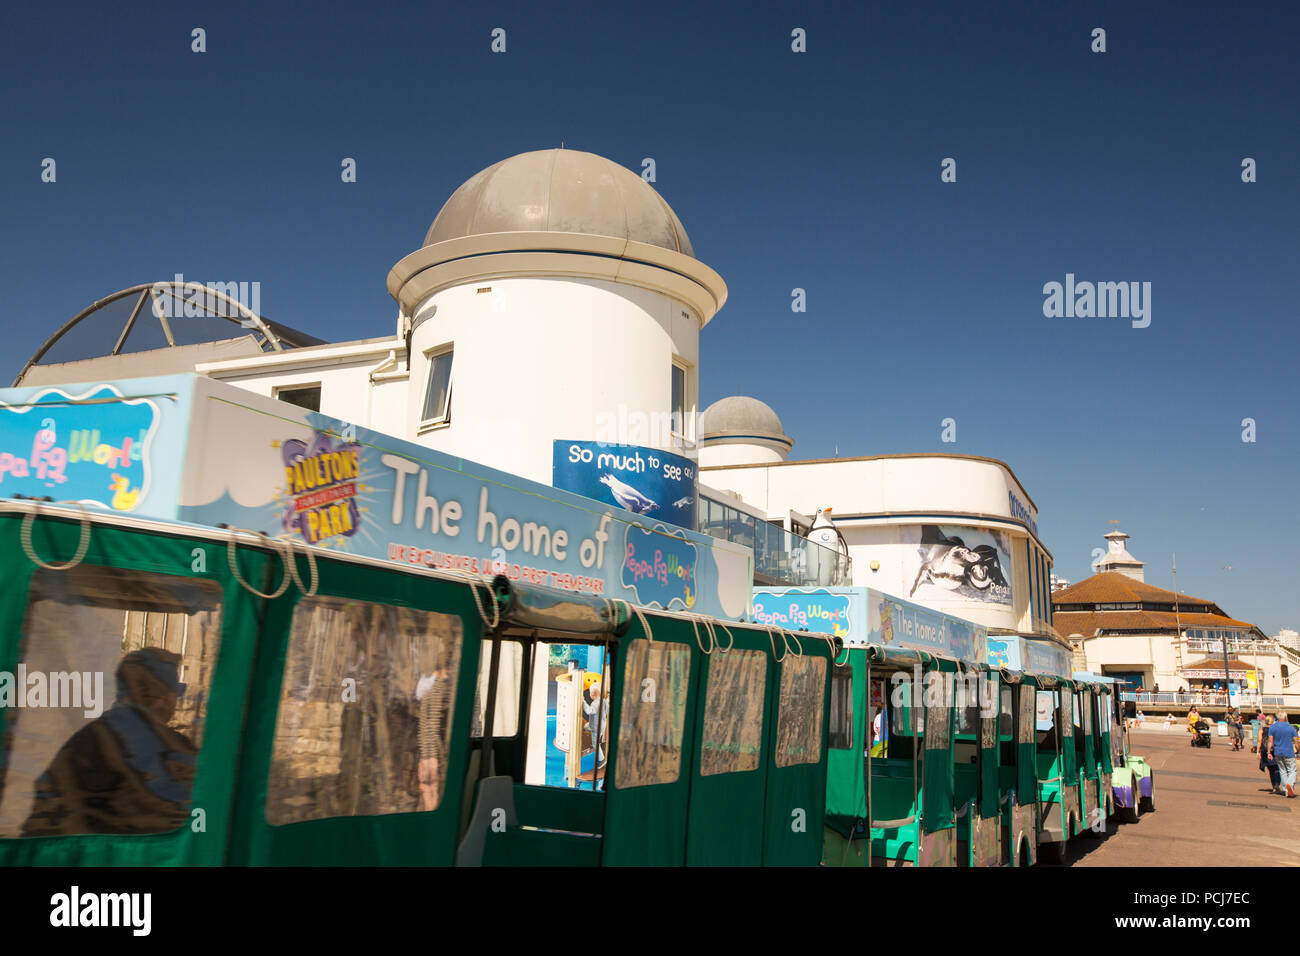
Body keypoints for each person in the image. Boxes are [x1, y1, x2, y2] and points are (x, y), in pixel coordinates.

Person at [22, 648, 197, 836]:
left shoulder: (89, 738)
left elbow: (43, 818)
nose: (176, 700)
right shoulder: (179, 749)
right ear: (161, 695)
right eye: (177, 690)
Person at [1267, 711, 1297, 798]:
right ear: (1286, 717)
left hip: (1277, 752)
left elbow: (1270, 741)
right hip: (1289, 752)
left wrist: (1269, 752)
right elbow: (1296, 742)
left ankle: (1286, 791)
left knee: (1282, 771)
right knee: (1292, 770)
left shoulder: (1272, 727)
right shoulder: (1291, 728)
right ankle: (1290, 785)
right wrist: (1298, 750)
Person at [1260, 715, 1282, 793]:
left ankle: (1274, 786)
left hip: (1265, 751)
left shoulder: (1262, 729)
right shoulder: (1276, 730)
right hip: (1274, 751)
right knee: (1277, 768)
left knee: (1271, 770)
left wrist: (1258, 752)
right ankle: (1277, 784)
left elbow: (1259, 740)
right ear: (1273, 721)